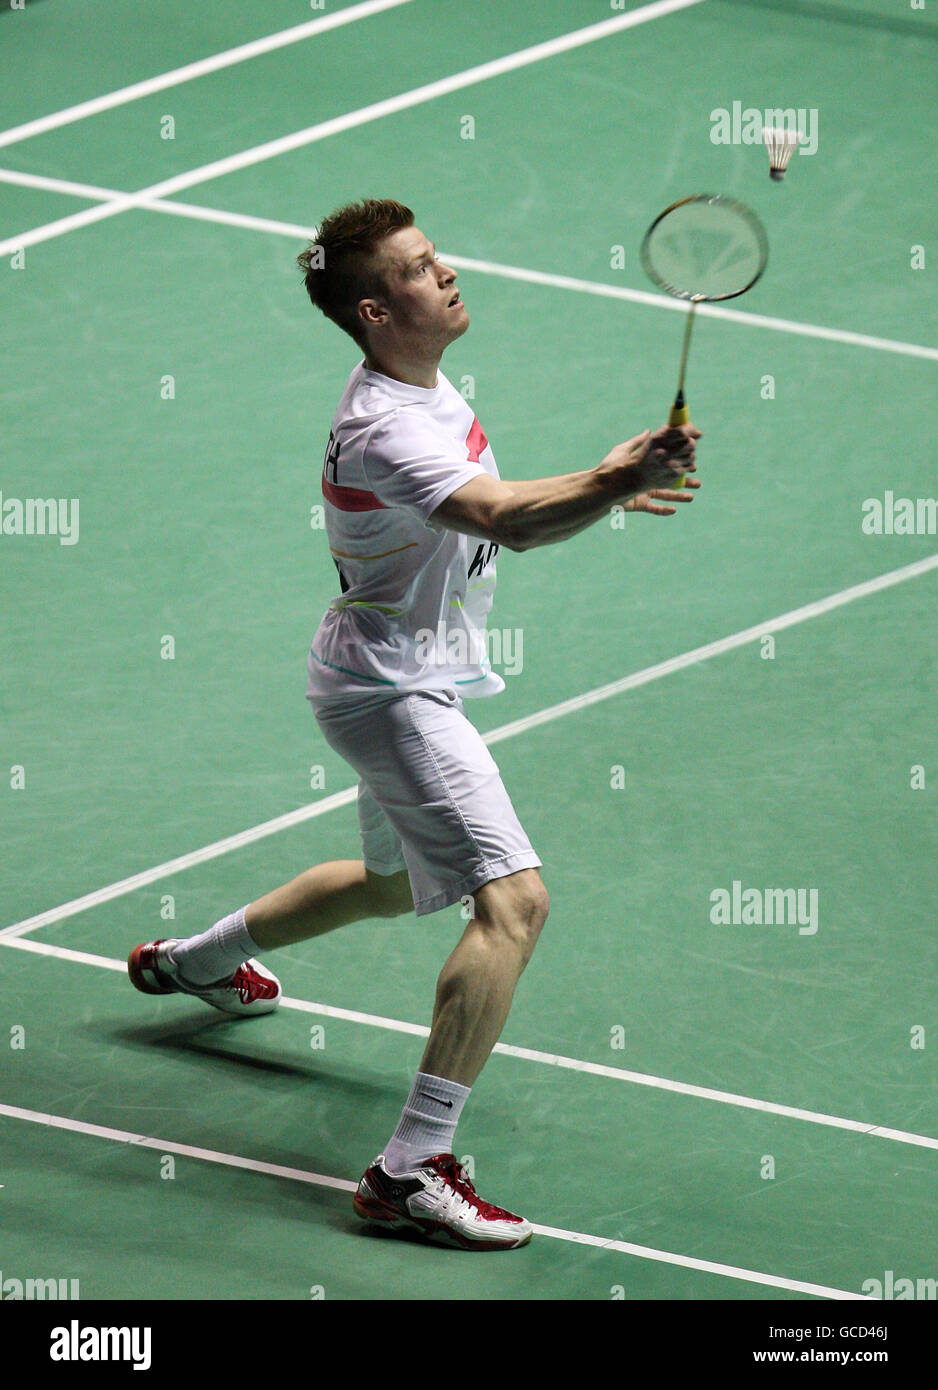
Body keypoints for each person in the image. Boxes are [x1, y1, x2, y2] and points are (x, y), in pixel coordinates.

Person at [128, 198, 700, 1251]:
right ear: (371, 308)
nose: (444, 274)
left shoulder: (420, 389)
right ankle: (408, 1170)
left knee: (391, 883)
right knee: (514, 904)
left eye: (435, 257)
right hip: (392, 692)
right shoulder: (385, 428)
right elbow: (501, 520)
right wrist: (611, 479)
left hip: (377, 671)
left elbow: (510, 508)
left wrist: (608, 488)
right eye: (417, 268)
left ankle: (191, 963)